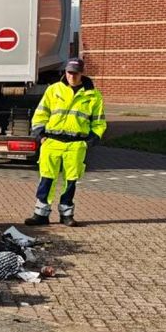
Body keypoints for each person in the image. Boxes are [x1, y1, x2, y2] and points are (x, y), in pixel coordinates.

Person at [24, 57, 106, 227]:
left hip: (76, 144)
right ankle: (41, 214)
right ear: (65, 72)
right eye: (69, 73)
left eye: (75, 73)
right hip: (52, 141)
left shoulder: (93, 95)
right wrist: (40, 135)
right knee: (46, 178)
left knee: (71, 181)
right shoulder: (53, 90)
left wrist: (89, 141)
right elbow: (40, 114)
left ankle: (66, 214)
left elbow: (99, 123)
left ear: (82, 73)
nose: (72, 76)